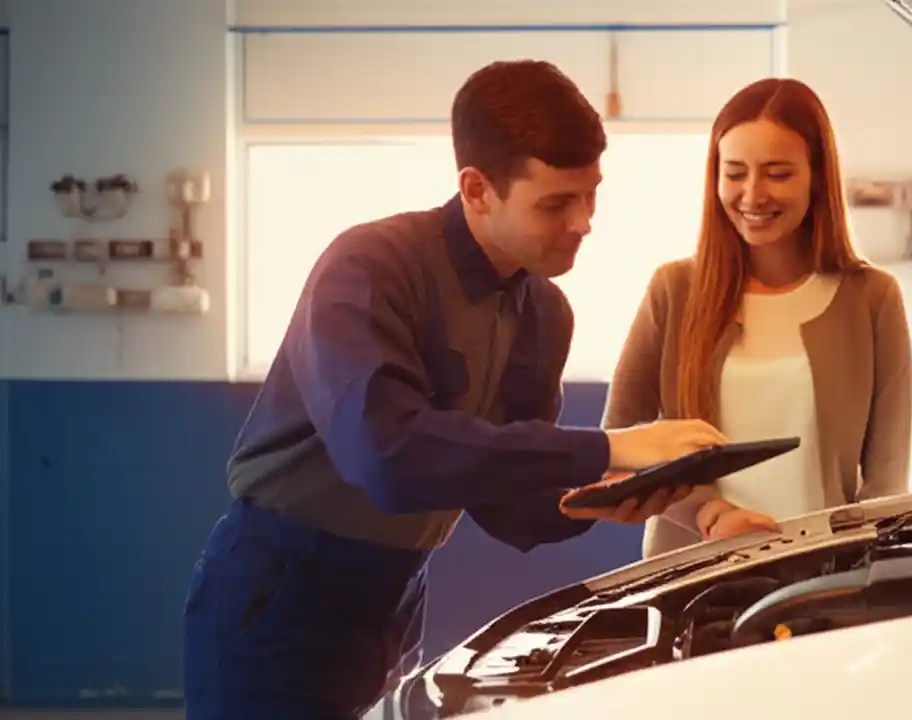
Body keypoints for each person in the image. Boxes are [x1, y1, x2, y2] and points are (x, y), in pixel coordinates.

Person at [181, 59, 725, 719]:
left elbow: (509, 507)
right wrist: (611, 446)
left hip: (396, 596)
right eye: (556, 202)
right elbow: (388, 458)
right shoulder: (368, 267)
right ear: (476, 189)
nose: (584, 222)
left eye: (591, 195)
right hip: (284, 589)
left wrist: (600, 500)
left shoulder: (545, 312)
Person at [604, 77, 912, 558]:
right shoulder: (673, 289)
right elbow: (619, 447)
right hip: (692, 571)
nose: (752, 195)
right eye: (734, 173)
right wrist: (709, 515)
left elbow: (888, 479)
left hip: (824, 573)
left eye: (778, 173)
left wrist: (861, 570)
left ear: (817, 176)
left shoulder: (873, 298)